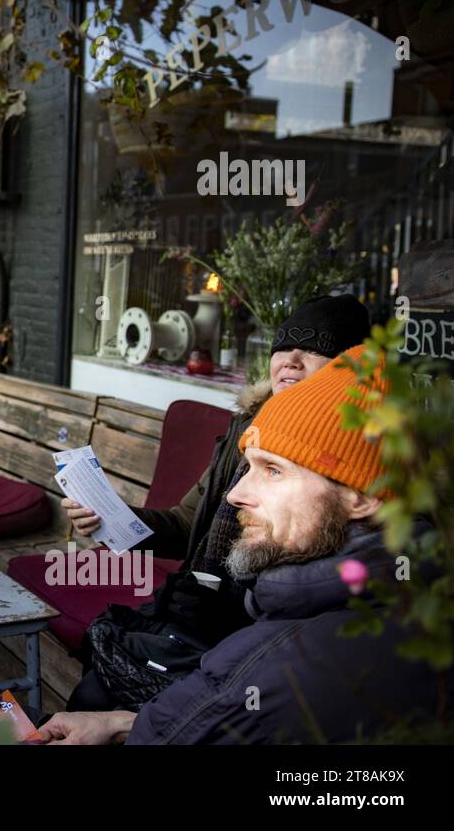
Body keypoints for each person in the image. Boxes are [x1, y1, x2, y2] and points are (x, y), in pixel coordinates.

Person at [35, 344, 440, 744]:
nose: (235, 493)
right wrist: (123, 723)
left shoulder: (285, 660)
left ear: (363, 496)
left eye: (274, 471)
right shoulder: (395, 590)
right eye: (249, 466)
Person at [62, 294, 371, 712]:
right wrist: (112, 519)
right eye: (284, 345)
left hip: (251, 638)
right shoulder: (246, 428)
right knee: (96, 683)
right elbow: (187, 524)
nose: (292, 360)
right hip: (193, 608)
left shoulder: (353, 461)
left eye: (317, 348)